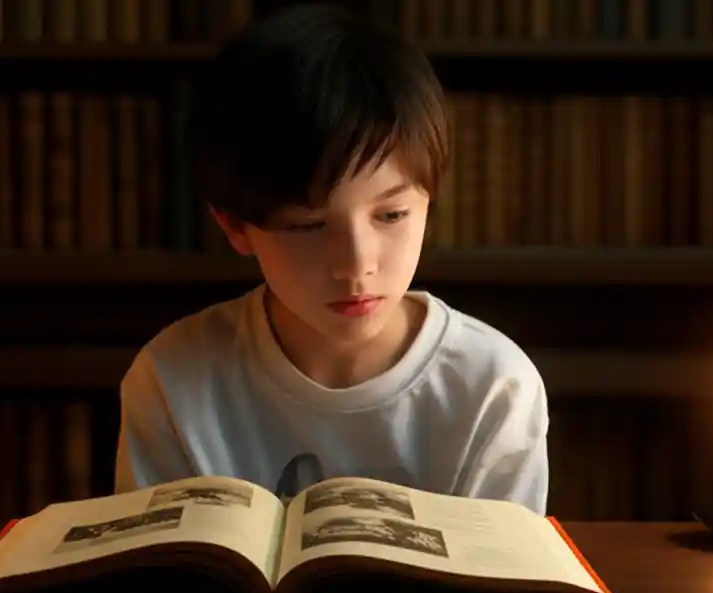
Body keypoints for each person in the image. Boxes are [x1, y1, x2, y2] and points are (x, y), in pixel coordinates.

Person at [114, 2, 550, 514]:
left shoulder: (490, 386)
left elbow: (504, 583)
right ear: (235, 225)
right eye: (308, 226)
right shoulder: (174, 379)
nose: (356, 265)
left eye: (391, 215)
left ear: (430, 200)